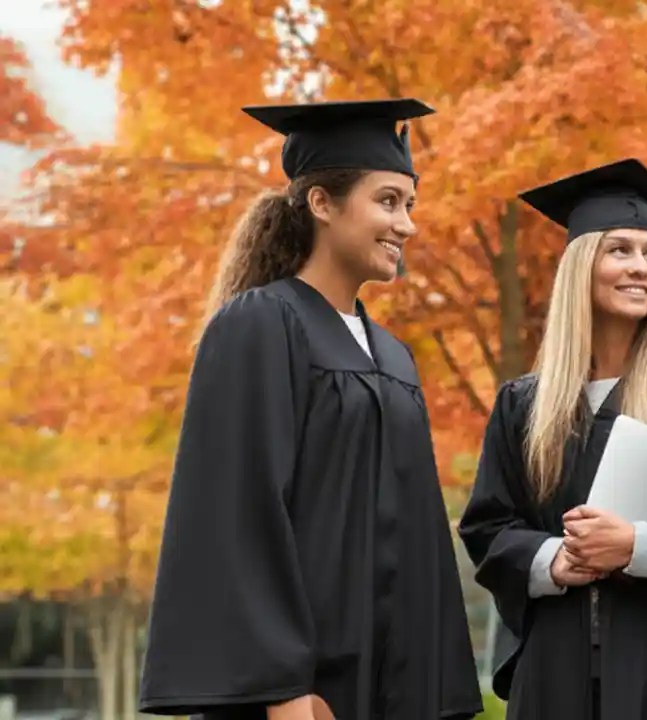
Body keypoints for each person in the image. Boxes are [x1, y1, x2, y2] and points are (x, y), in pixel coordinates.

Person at [138, 99, 483, 720]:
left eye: (410, 205)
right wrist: (280, 687)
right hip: (297, 691)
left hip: (393, 686)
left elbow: (422, 536)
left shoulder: (395, 357)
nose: (406, 225)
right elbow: (235, 511)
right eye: (387, 201)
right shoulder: (261, 324)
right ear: (321, 203)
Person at [457, 158, 647, 720]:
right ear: (580, 267)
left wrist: (641, 547)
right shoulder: (526, 403)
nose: (641, 268)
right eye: (619, 250)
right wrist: (552, 560)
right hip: (554, 671)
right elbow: (487, 526)